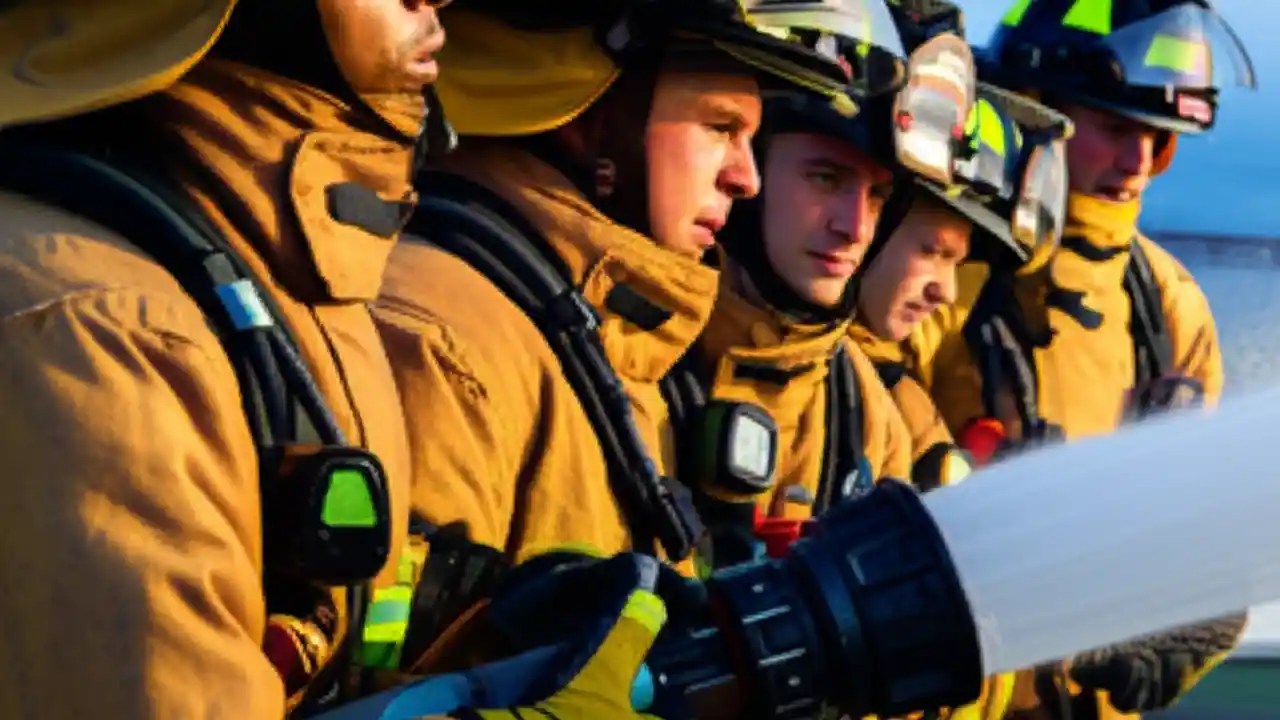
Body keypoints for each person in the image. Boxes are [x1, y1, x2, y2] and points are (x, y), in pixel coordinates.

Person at [372, 0, 880, 652]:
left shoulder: (627, 348)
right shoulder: (444, 341)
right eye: (720, 127)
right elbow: (382, 677)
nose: (746, 178)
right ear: (588, 115)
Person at [901, 0, 1257, 717]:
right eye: (1116, 130)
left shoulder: (1168, 304)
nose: (1138, 163)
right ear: (1037, 110)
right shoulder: (944, 274)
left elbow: (1198, 524)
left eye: (1158, 140)